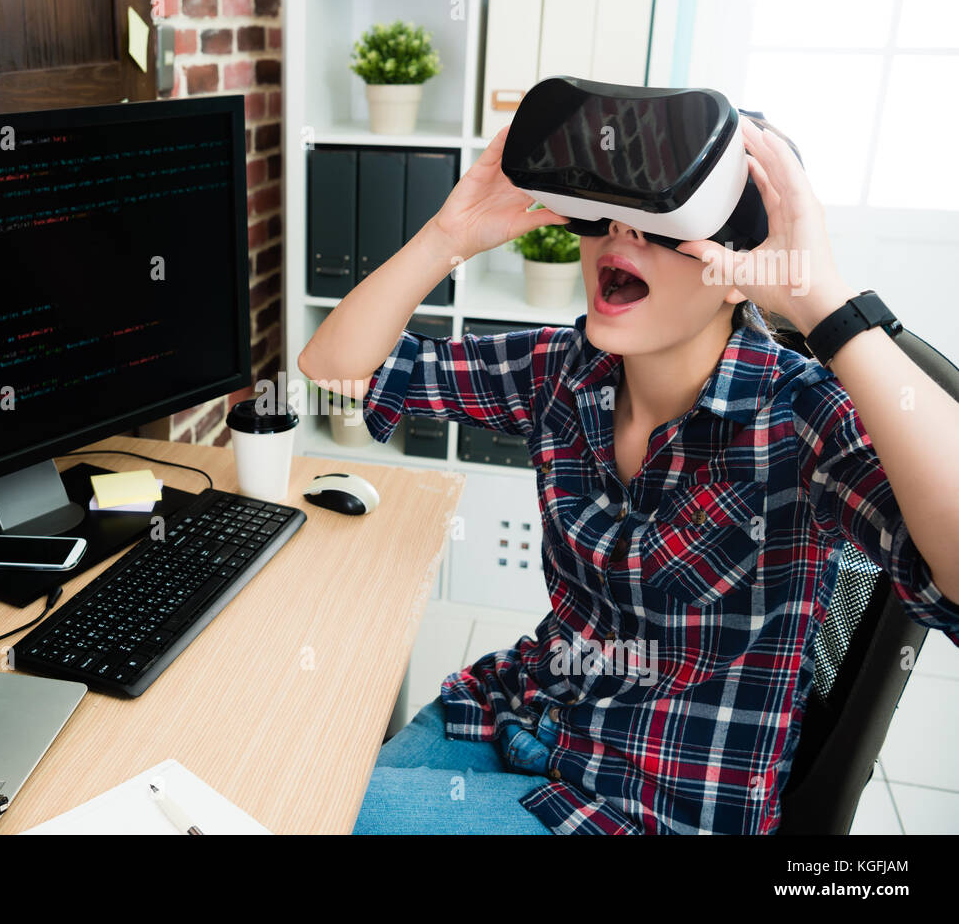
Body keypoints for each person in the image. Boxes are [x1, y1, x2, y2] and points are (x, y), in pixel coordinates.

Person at [298, 115, 959, 834]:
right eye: (610, 213)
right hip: (523, 713)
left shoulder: (800, 416)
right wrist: (445, 239)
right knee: (298, 793)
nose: (624, 235)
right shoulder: (567, 370)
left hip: (648, 805)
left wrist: (828, 305)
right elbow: (337, 372)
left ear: (742, 268)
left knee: (306, 817)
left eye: (667, 220)